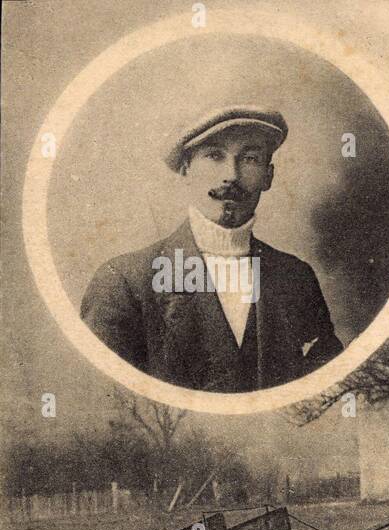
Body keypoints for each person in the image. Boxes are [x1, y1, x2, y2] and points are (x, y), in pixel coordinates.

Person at [80, 106, 343, 392]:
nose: (231, 175)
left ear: (268, 176)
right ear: (186, 170)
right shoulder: (123, 282)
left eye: (250, 158)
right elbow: (109, 406)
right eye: (214, 156)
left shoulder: (296, 279)